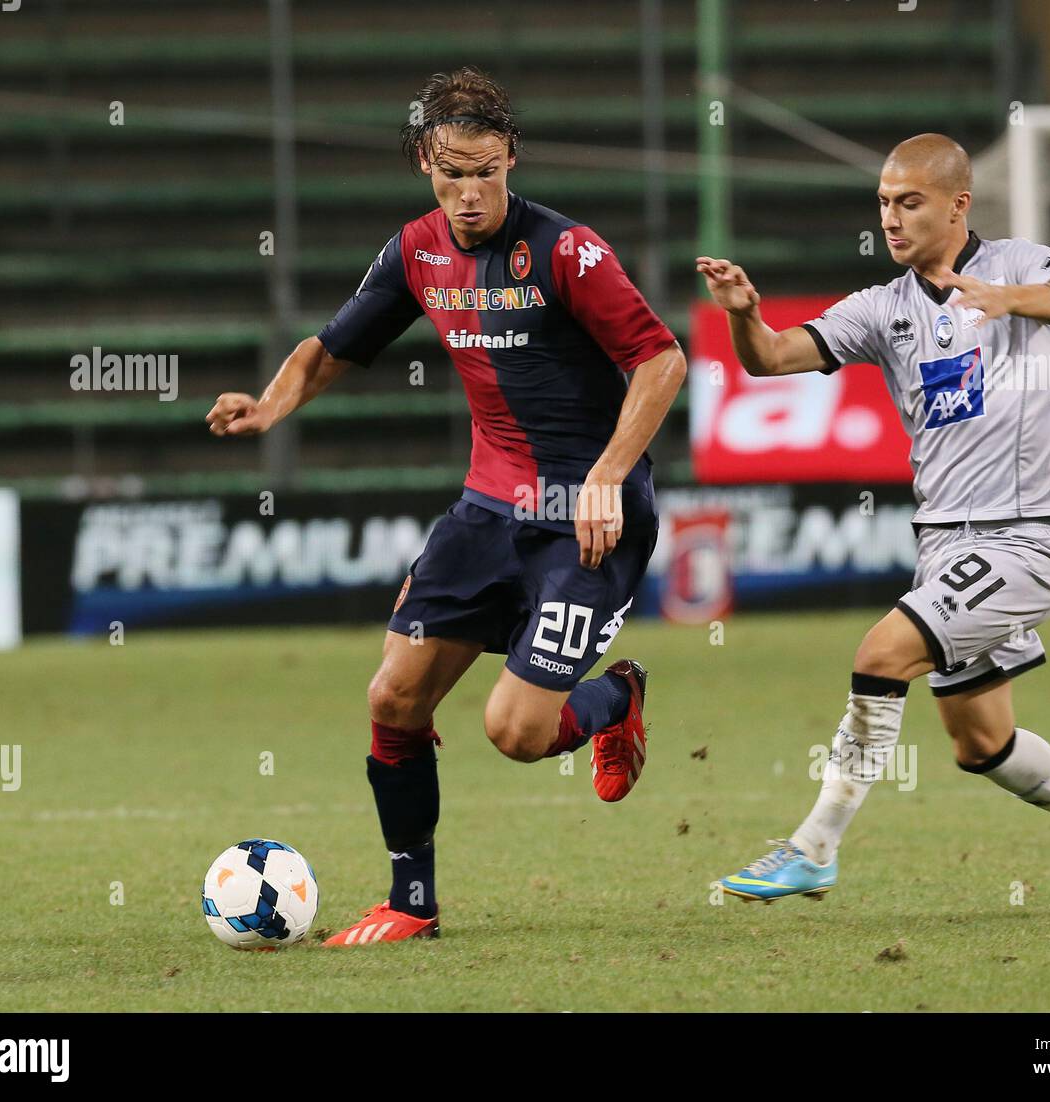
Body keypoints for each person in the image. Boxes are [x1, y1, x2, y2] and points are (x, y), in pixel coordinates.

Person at [206, 68, 686, 944]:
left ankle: (615, 698)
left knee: (517, 731)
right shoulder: (416, 250)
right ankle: (410, 904)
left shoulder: (568, 251)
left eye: (486, 172)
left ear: (512, 160)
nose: (469, 194)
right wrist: (271, 403)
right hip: (484, 514)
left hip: (586, 517)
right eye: (451, 173)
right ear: (428, 161)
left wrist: (611, 473)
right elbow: (333, 345)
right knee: (393, 699)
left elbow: (661, 359)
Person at [697, 133, 1050, 912]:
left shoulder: (1021, 264)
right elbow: (769, 358)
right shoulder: (881, 308)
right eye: (884, 204)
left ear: (959, 205)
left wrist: (1008, 300)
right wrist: (745, 315)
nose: (891, 219)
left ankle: (813, 848)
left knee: (882, 652)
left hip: (1026, 538)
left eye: (910, 202)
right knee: (981, 742)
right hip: (946, 547)